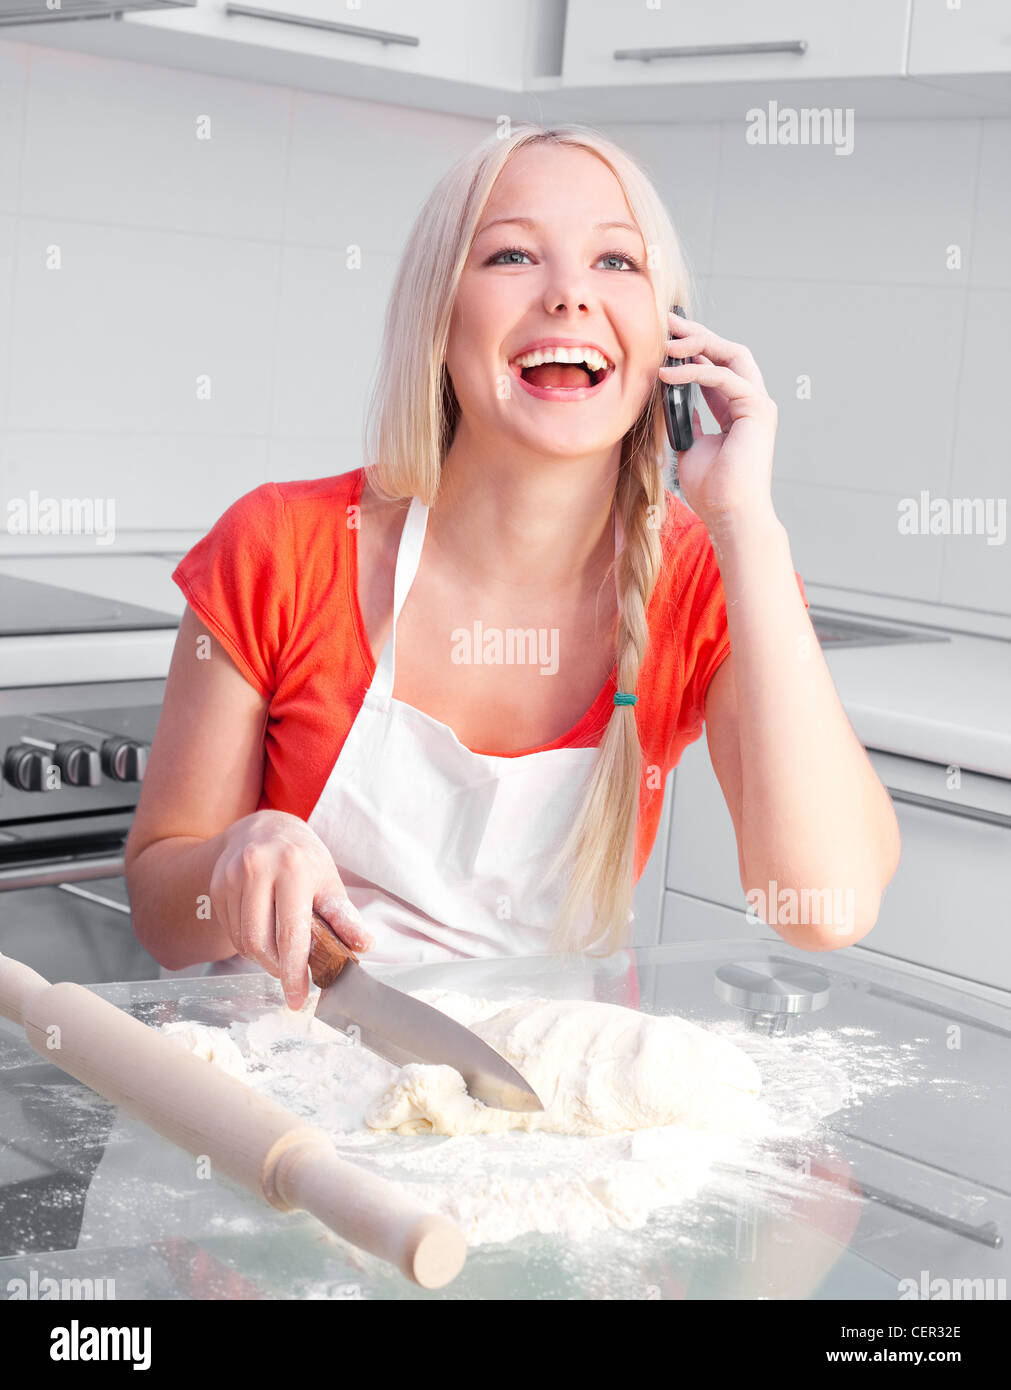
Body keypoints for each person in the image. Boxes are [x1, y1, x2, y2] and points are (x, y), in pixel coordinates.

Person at [125, 123, 901, 1011]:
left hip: (540, 1110)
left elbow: (824, 905)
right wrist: (233, 859)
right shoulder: (281, 545)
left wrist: (747, 524)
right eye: (511, 256)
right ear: (437, 320)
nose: (570, 294)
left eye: (617, 262)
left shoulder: (707, 579)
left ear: (669, 344)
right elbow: (160, 909)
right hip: (268, 1105)